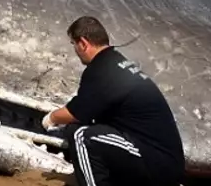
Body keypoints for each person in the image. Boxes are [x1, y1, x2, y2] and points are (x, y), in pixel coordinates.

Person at [41, 16, 185, 186]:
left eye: (73, 44)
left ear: (83, 43)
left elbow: (74, 113)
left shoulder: (102, 69)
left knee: (82, 137)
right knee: (79, 130)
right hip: (159, 159)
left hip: (156, 163)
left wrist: (50, 118)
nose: (75, 50)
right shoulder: (116, 62)